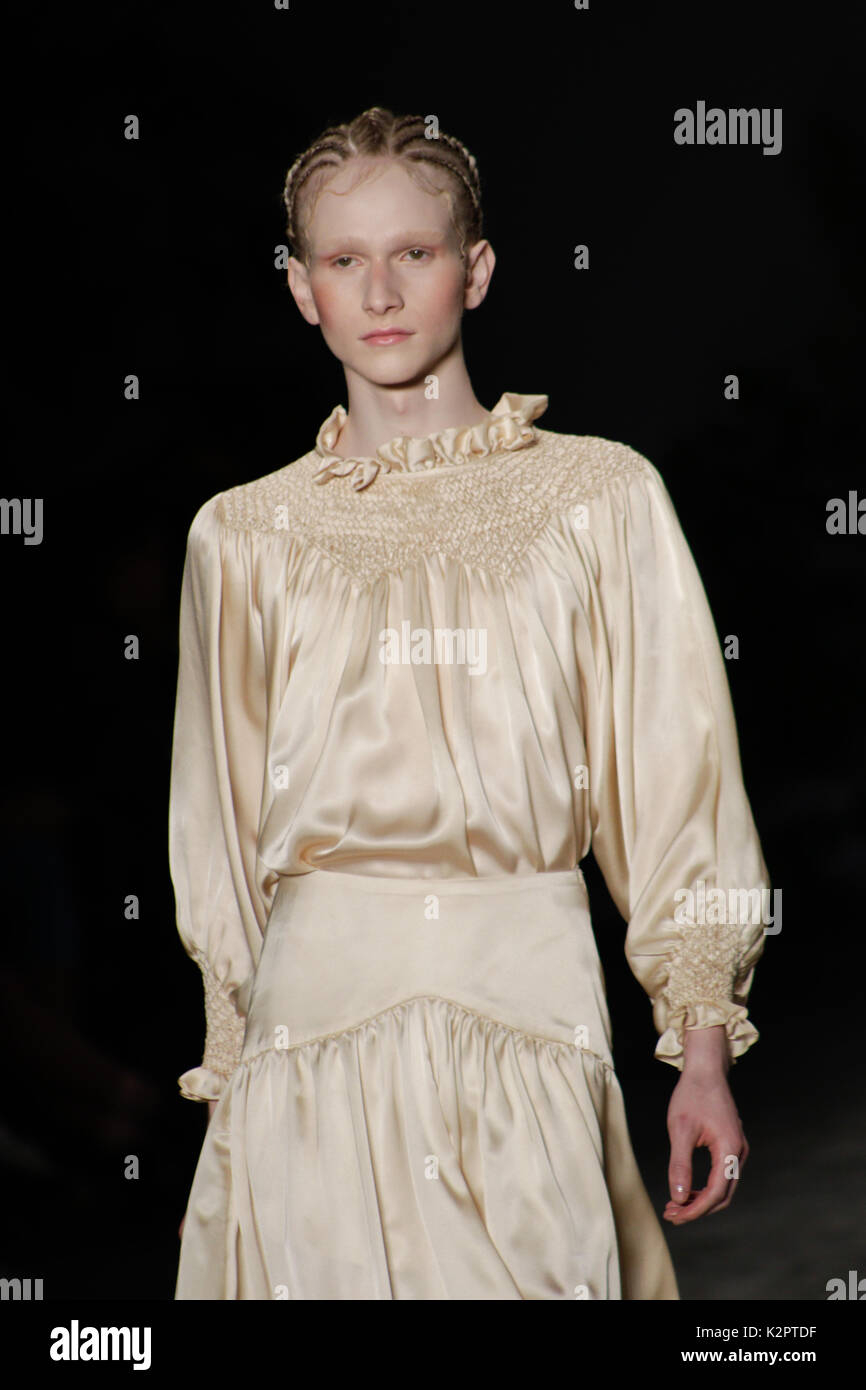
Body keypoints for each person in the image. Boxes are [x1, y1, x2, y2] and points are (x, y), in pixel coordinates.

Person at [170, 106, 770, 1300]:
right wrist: (232, 1075)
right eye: (343, 260)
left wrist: (699, 1046)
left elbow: (674, 778)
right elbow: (219, 817)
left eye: (415, 253)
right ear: (301, 289)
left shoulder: (598, 498)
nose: (379, 289)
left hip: (528, 1022)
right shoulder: (242, 532)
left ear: (475, 270)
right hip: (309, 1056)